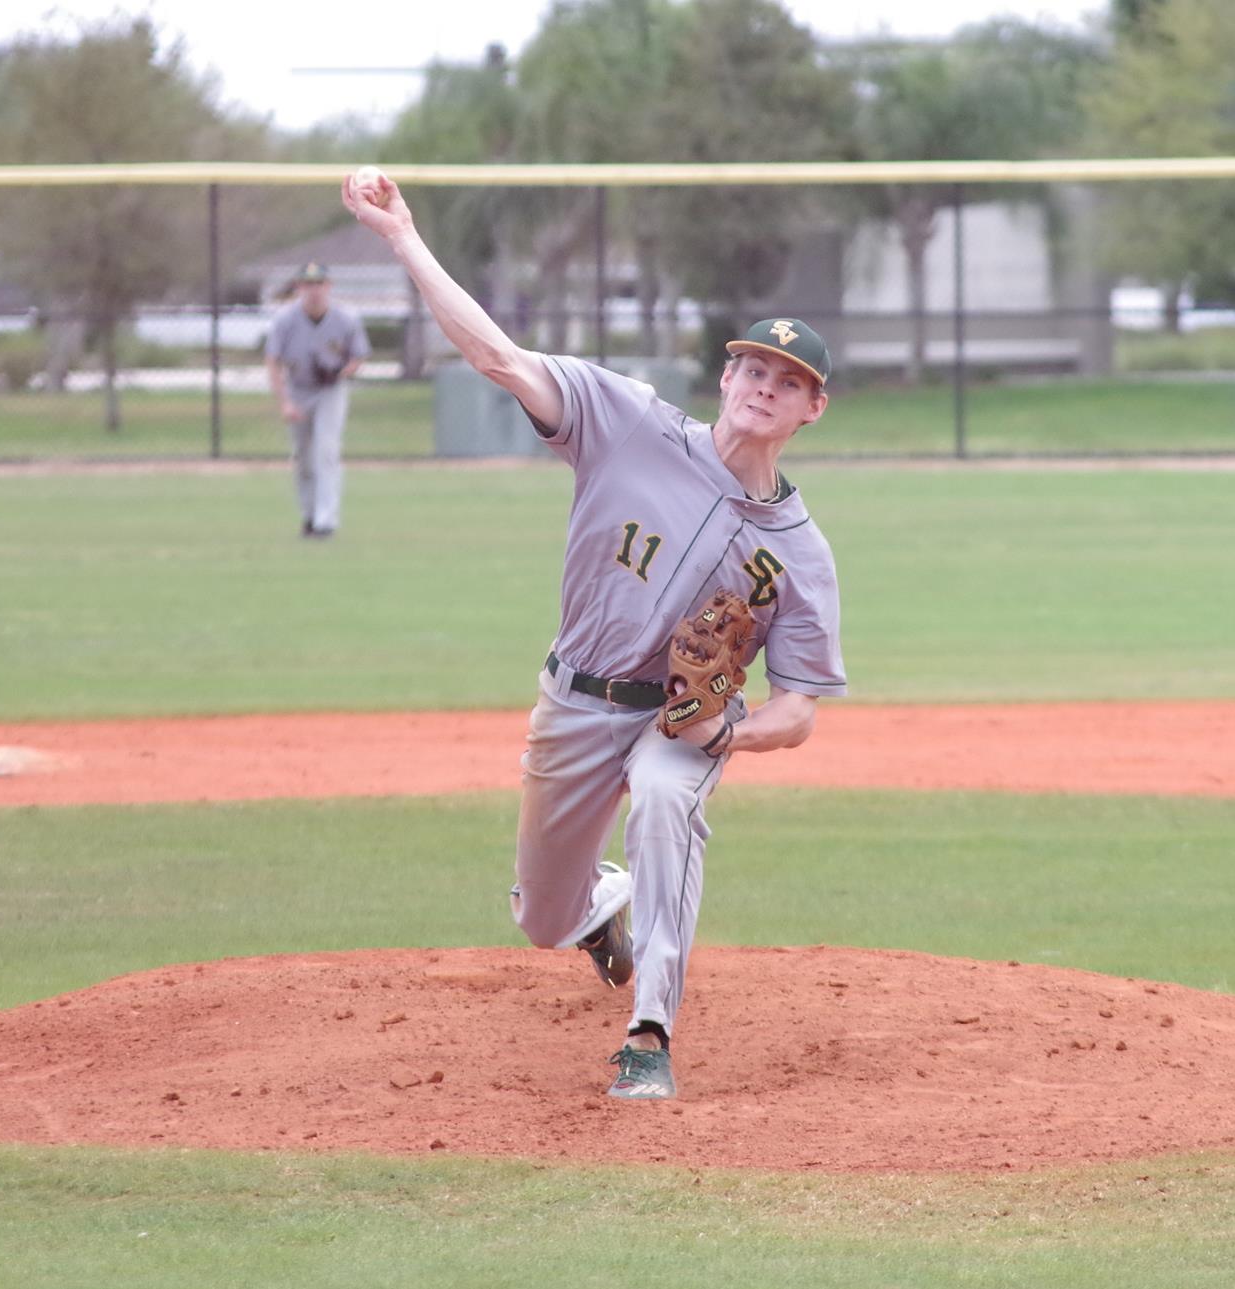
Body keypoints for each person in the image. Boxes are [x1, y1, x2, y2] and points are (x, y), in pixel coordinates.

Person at [342, 169, 847, 1101]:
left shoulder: (800, 555)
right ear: (726, 376)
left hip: (675, 725)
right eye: (756, 369)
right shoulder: (626, 421)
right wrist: (404, 240)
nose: (767, 388)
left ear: (813, 409)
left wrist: (724, 732)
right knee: (541, 918)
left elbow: (803, 707)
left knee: (664, 802)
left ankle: (649, 1031)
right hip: (574, 701)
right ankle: (597, 907)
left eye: (793, 382)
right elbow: (497, 357)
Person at [265, 262, 370, 539]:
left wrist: (342, 371)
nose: (314, 290)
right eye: (308, 284)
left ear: (329, 286)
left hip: (330, 390)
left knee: (326, 451)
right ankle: (309, 515)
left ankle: (326, 521)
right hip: (299, 388)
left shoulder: (345, 318)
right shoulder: (285, 320)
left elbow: (358, 355)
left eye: (319, 284)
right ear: (299, 287)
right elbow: (273, 362)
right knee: (303, 457)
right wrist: (285, 403)